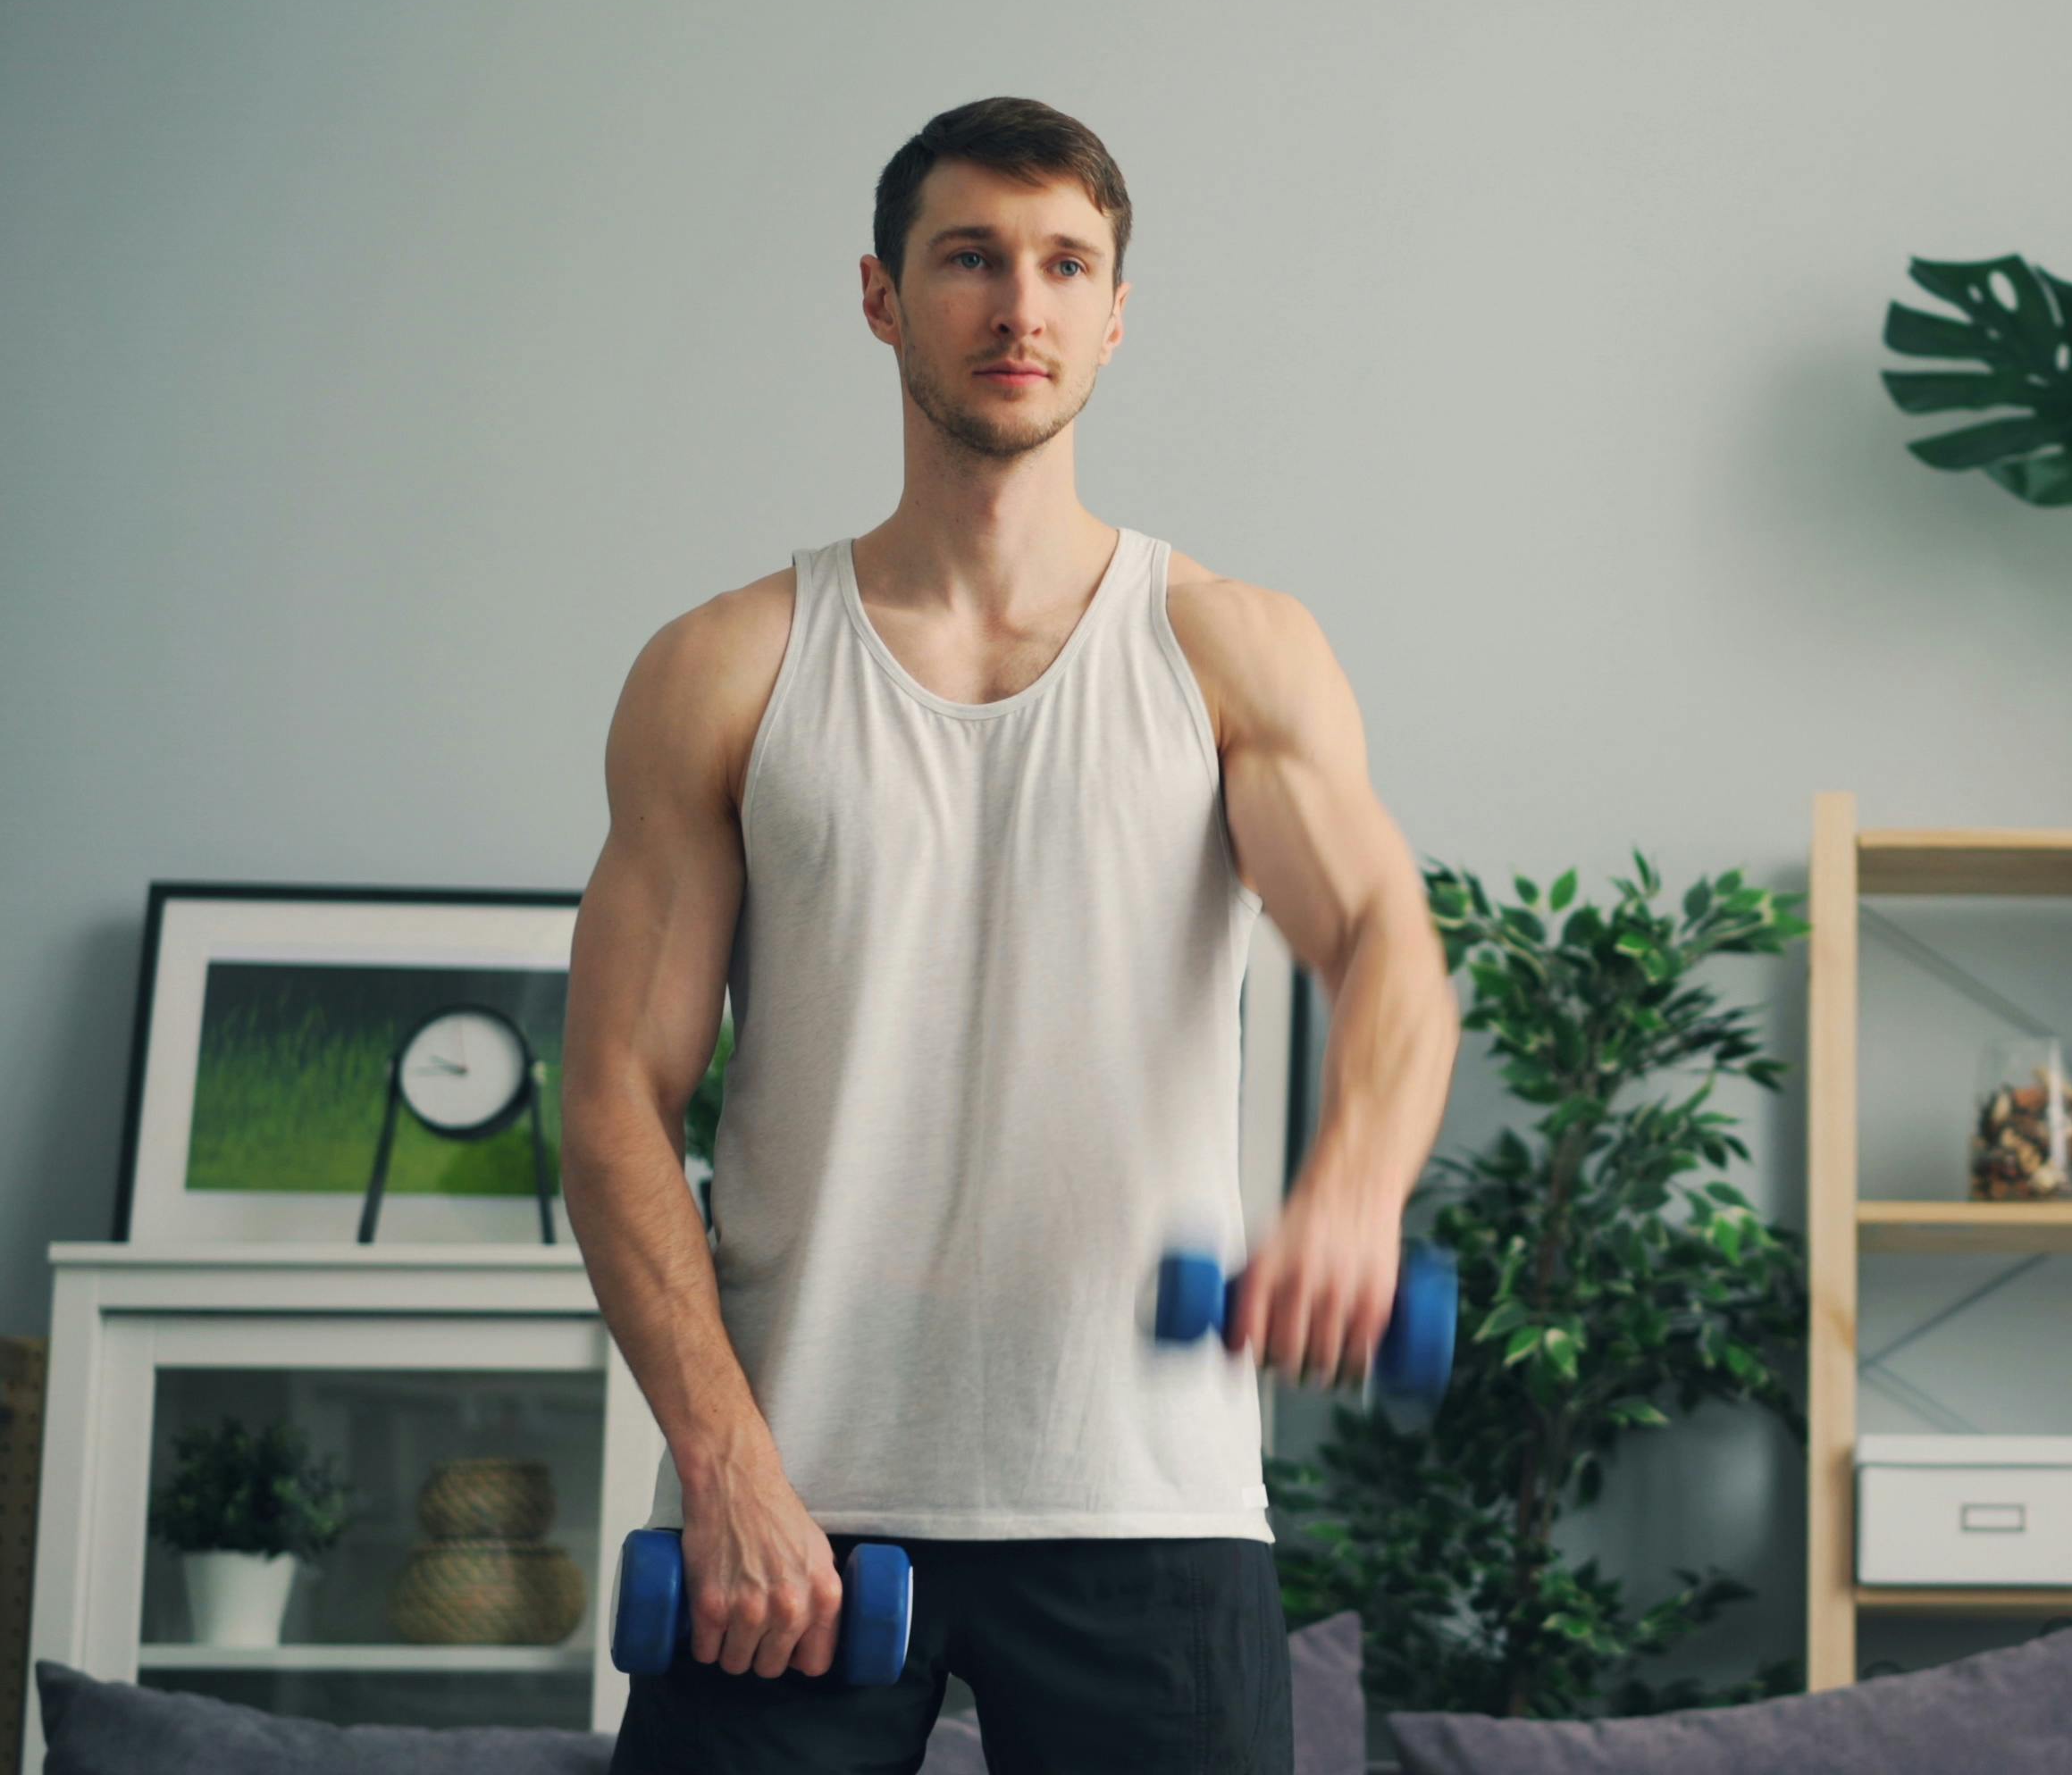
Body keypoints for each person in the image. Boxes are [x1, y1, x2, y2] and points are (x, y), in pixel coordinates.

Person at [560, 96, 1457, 1772]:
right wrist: (725, 1465)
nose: (1018, 306)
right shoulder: (729, 666)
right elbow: (614, 1095)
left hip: (1147, 1497)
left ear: (1116, 314)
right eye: (970, 258)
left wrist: (1349, 1195)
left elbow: (1385, 944)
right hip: (794, 1512)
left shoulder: (1223, 649)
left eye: (1064, 265)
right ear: (884, 297)